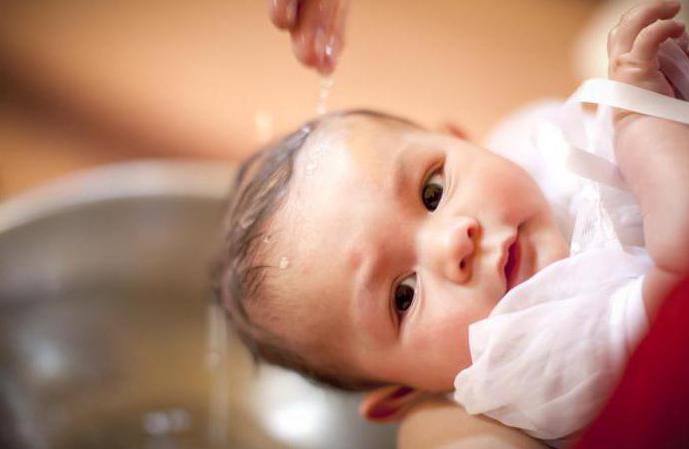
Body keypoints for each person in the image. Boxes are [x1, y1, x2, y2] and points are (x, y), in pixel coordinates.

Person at [215, 0, 689, 445]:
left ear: (463, 139)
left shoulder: (522, 144)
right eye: (404, 296)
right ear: (406, 393)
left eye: (432, 192)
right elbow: (677, 278)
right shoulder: (530, 358)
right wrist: (641, 119)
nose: (454, 243)